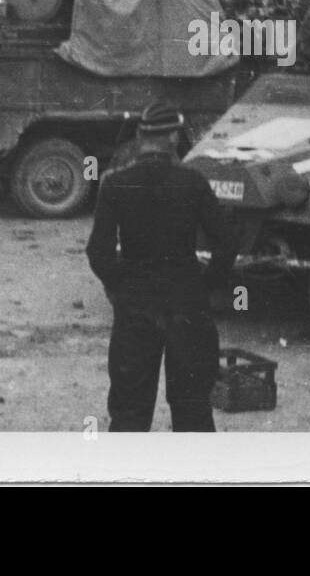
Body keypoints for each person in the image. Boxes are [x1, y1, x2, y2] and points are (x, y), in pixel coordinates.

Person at [85, 101, 239, 432]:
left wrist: (120, 286)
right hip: (187, 306)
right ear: (173, 137)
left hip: (136, 308)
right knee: (193, 410)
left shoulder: (114, 184)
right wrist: (204, 286)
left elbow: (97, 251)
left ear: (140, 136)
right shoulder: (194, 183)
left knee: (129, 412)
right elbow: (227, 243)